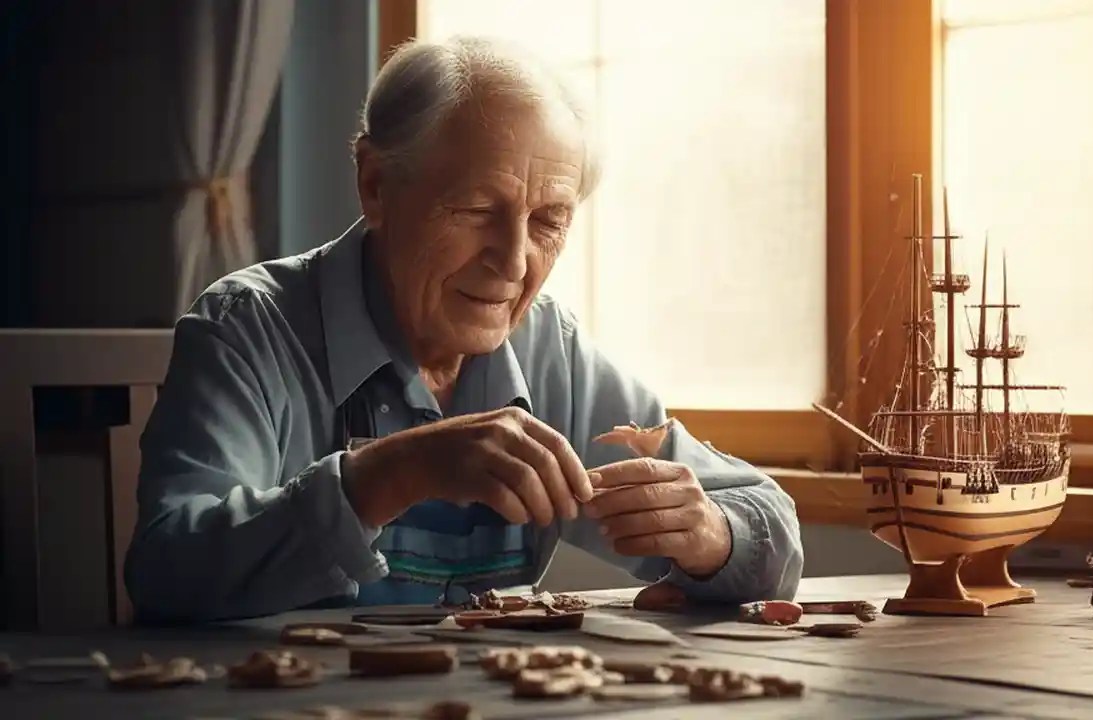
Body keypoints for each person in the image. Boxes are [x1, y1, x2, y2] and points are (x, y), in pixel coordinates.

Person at [124, 36, 803, 622]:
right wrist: (393, 473)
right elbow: (166, 570)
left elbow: (765, 518)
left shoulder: (548, 348)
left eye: (548, 221)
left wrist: (710, 535)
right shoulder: (248, 329)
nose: (514, 263)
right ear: (376, 185)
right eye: (477, 209)